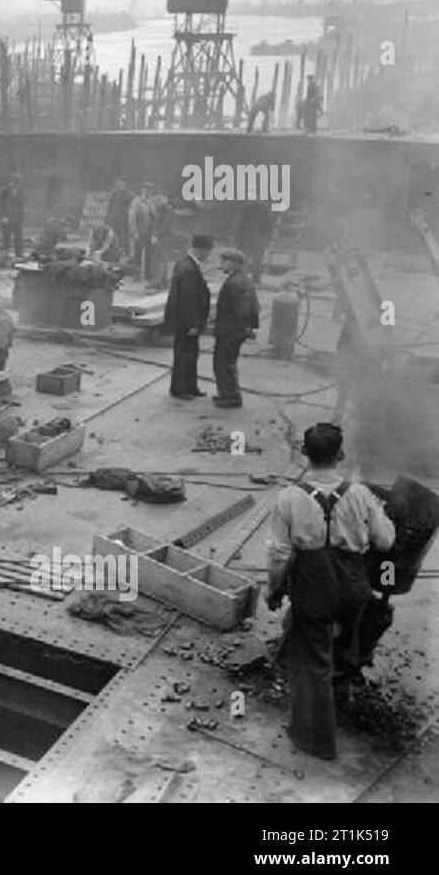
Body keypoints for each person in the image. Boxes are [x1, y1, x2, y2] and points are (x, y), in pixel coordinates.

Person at [267, 423, 395, 761]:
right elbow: (385, 541)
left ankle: (314, 739)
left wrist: (273, 590)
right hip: (353, 588)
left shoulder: (288, 498)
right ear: (341, 455)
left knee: (312, 659)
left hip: (313, 590)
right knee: (344, 643)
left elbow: (280, 555)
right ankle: (340, 699)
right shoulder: (360, 494)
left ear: (303, 453)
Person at [164, 234, 213, 400]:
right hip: (186, 322)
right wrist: (193, 324)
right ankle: (180, 389)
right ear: (200, 250)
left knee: (191, 354)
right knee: (184, 355)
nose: (209, 255)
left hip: (183, 320)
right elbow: (188, 299)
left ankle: (190, 386)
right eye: (208, 251)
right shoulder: (189, 270)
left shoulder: (185, 263)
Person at [211, 248, 260, 408]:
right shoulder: (241, 279)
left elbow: (243, 309)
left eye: (224, 261)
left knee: (224, 364)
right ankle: (226, 394)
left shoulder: (236, 282)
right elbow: (254, 305)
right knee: (225, 363)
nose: (221, 264)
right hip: (231, 330)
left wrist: (246, 329)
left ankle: (231, 397)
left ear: (233, 263)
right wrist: (251, 327)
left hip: (230, 331)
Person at [129, 184, 154, 279]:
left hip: (150, 232)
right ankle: (136, 273)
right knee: (138, 254)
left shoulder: (152, 201)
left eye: (150, 190)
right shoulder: (137, 201)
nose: (148, 192)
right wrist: (134, 232)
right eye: (146, 189)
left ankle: (148, 273)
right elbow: (132, 218)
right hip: (139, 232)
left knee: (149, 254)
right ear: (142, 190)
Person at [0, 174, 24, 259]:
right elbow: (1, 204)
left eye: (18, 182)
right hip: (7, 217)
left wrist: (22, 215)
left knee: (19, 236)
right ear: (12, 181)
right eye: (16, 182)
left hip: (17, 217)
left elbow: (21, 203)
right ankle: (4, 254)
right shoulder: (5, 190)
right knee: (6, 236)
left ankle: (19, 254)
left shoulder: (20, 190)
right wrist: (3, 216)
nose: (17, 184)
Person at [105, 179, 132, 255]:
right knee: (115, 234)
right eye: (117, 183)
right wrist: (109, 217)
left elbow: (131, 207)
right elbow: (110, 206)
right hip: (114, 217)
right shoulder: (114, 194)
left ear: (124, 184)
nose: (119, 185)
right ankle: (116, 249)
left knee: (123, 235)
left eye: (121, 183)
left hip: (123, 218)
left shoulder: (128, 194)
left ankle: (123, 250)